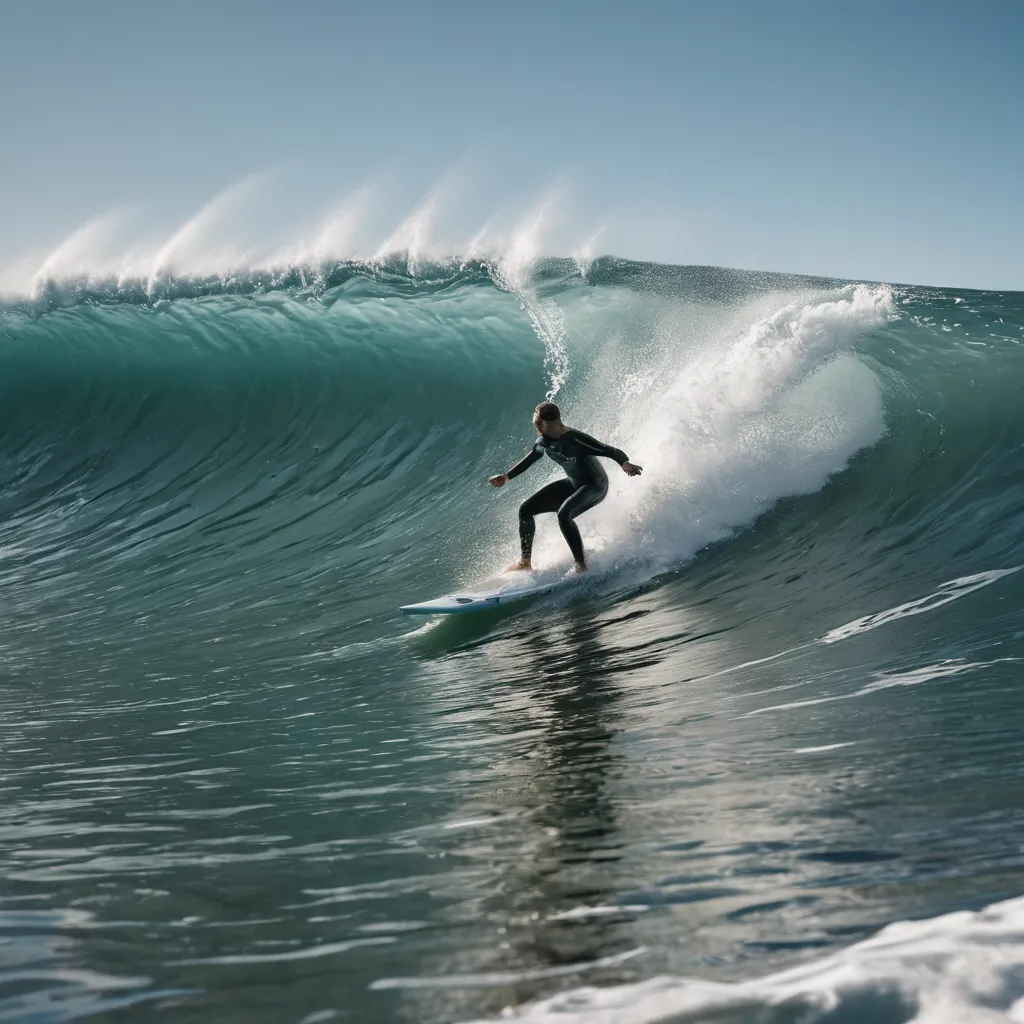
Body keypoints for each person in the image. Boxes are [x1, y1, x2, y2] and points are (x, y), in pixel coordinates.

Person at [489, 402, 642, 574]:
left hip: (595, 485)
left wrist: (624, 463)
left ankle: (582, 566)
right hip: (573, 483)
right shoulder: (543, 442)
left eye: (541, 423)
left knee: (564, 514)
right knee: (526, 509)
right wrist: (507, 476)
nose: (538, 427)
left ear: (549, 423)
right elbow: (531, 458)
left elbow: (608, 450)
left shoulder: (574, 438)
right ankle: (525, 562)